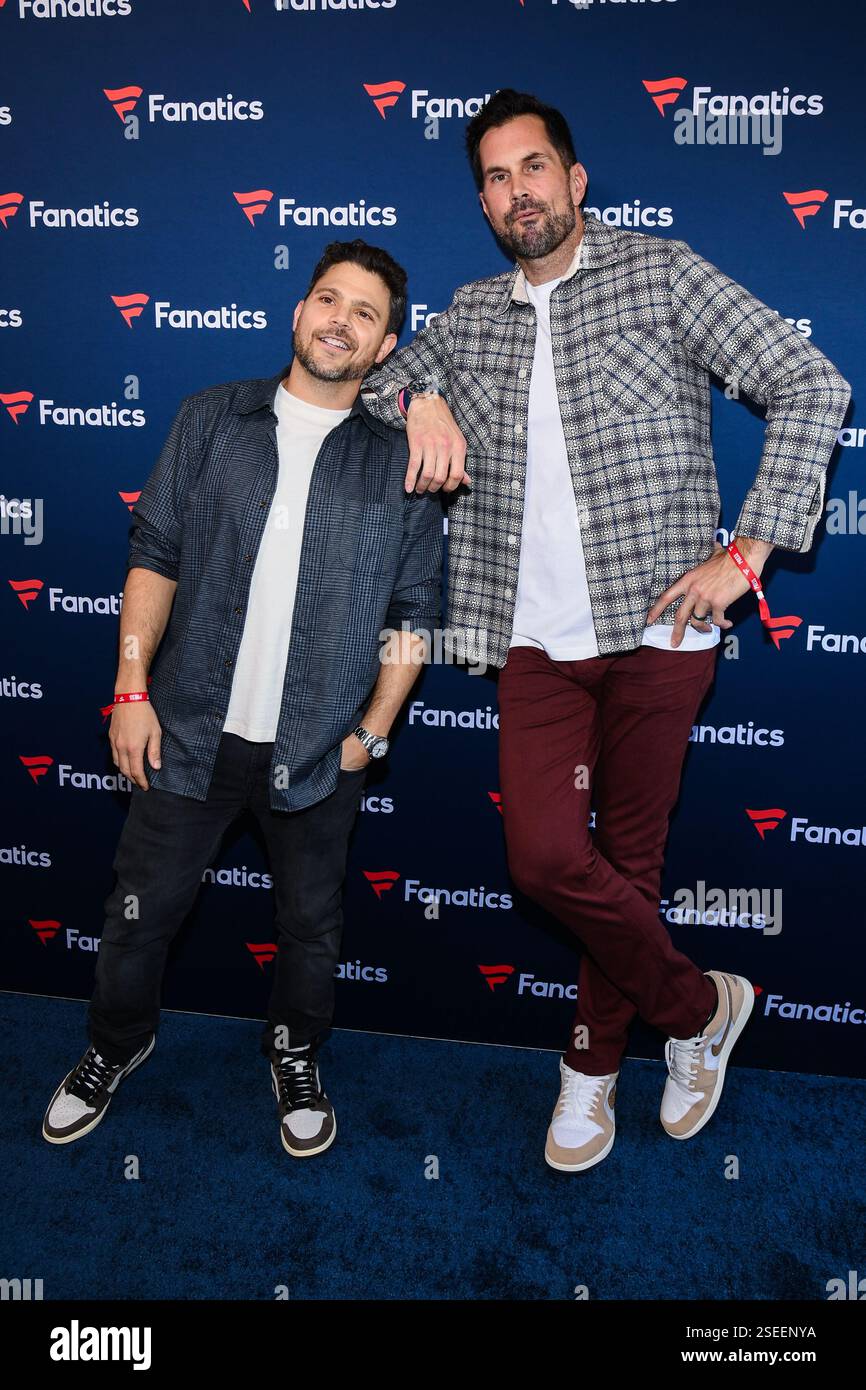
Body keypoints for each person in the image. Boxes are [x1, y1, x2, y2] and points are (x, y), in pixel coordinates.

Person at [360, 89, 851, 1171]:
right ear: (482, 203)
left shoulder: (659, 272)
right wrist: (417, 405)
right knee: (542, 857)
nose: (514, 191)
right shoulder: (472, 317)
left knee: (627, 862)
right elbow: (370, 390)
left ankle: (588, 1068)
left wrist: (747, 554)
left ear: (573, 181)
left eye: (531, 167)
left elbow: (809, 383)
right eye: (492, 177)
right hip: (530, 640)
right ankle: (698, 1008)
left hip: (660, 632)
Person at [42, 239, 443, 1159]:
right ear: (298, 313)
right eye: (328, 300)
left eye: (365, 313)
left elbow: (415, 614)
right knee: (136, 919)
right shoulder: (210, 419)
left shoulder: (400, 462)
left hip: (319, 748)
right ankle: (114, 1046)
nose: (340, 320)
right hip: (185, 730)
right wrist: (130, 687)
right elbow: (154, 554)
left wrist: (371, 735)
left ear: (385, 347)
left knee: (310, 927)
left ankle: (296, 1053)